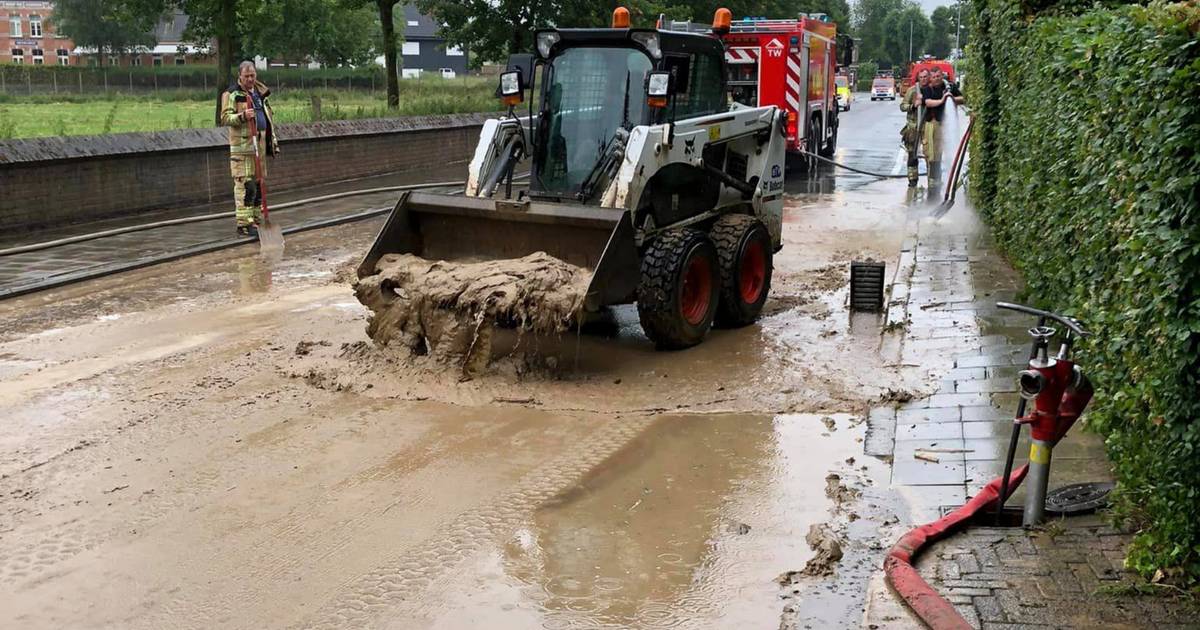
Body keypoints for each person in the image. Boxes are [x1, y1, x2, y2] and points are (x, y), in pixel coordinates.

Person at [221, 61, 279, 237]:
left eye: (252, 75)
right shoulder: (232, 94)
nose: (250, 79)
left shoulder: (261, 93)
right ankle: (244, 224)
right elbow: (224, 118)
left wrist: (272, 142)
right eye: (246, 76)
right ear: (239, 75)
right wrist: (242, 116)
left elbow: (268, 119)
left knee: (259, 183)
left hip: (259, 145)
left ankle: (256, 219)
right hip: (243, 148)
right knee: (245, 186)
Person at [918, 66, 964, 187]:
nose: (936, 79)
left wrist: (951, 98)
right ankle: (933, 186)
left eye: (938, 76)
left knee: (951, 152)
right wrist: (943, 100)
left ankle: (952, 183)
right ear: (930, 78)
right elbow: (928, 102)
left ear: (941, 76)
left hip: (947, 124)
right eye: (933, 77)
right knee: (933, 156)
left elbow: (962, 98)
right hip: (933, 125)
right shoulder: (928, 89)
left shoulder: (950, 87)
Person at [899, 69, 930, 187]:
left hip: (927, 127)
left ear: (929, 77)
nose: (923, 79)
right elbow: (902, 106)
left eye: (925, 77)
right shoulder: (912, 91)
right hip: (913, 127)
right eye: (921, 77)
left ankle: (931, 180)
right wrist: (913, 106)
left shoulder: (931, 90)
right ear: (918, 78)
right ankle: (912, 180)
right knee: (912, 155)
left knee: (929, 155)